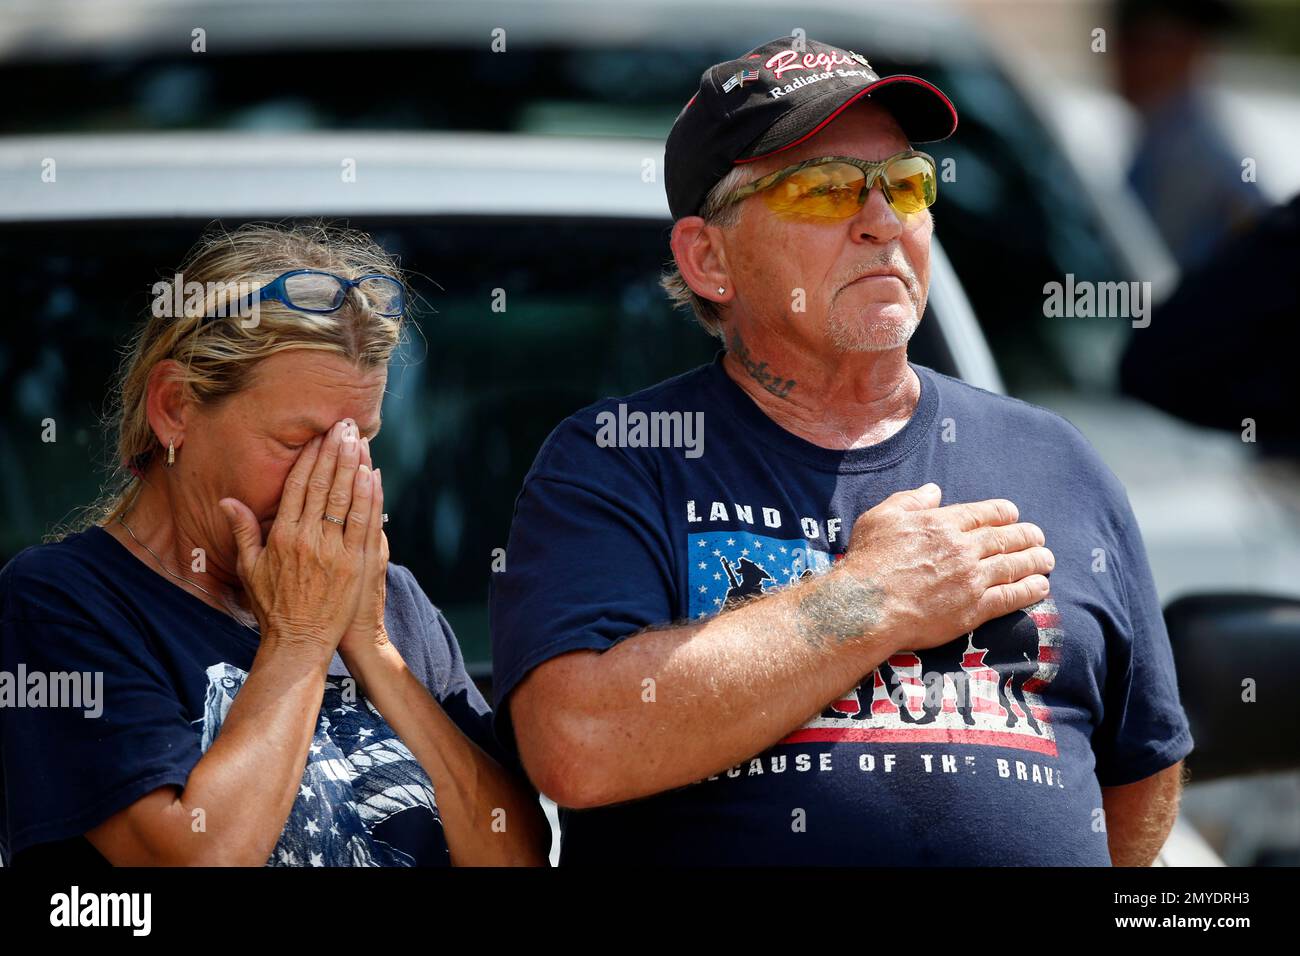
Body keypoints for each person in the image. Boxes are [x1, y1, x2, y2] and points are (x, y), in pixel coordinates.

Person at [490, 37, 1193, 865]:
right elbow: (580, 741)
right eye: (825, 192)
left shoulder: (1053, 459)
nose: (882, 221)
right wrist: (868, 601)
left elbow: (1139, 771)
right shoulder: (619, 461)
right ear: (709, 259)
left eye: (905, 185)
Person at [0, 222, 549, 867]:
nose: (339, 474)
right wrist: (301, 639)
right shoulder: (60, 605)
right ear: (175, 408)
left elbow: (518, 857)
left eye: (360, 437)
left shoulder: (387, 598)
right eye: (297, 442)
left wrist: (373, 649)